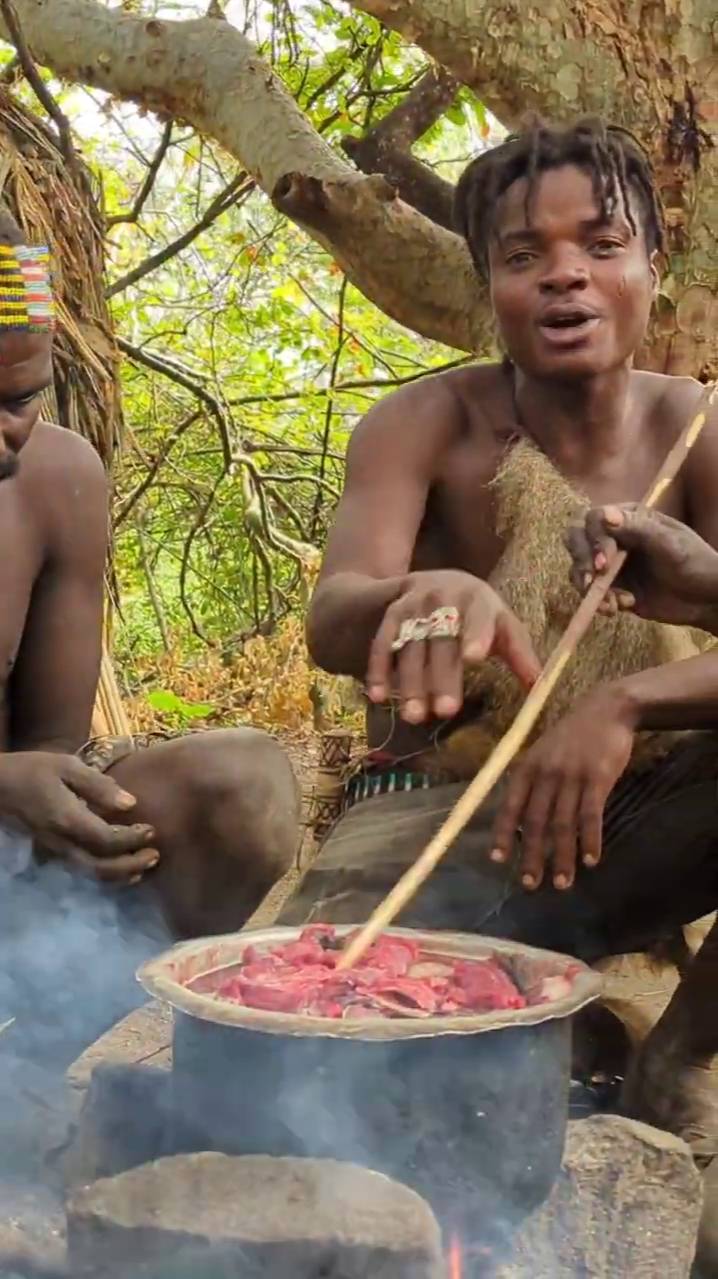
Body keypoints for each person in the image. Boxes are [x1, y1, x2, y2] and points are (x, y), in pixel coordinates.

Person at [275, 118, 718, 1260]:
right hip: (456, 825)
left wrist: (624, 704)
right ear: (489, 286)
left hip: (644, 825)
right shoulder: (428, 423)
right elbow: (334, 612)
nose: (564, 272)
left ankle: (680, 1056)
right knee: (307, 1060)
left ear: (652, 268)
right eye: (524, 255)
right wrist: (418, 590)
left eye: (600, 243)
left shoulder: (703, 430)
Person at [0, 211, 299, 947]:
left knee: (243, 788)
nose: (4, 433)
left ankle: (23, 1058)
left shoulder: (54, 479)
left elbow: (52, 754)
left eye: (19, 401)